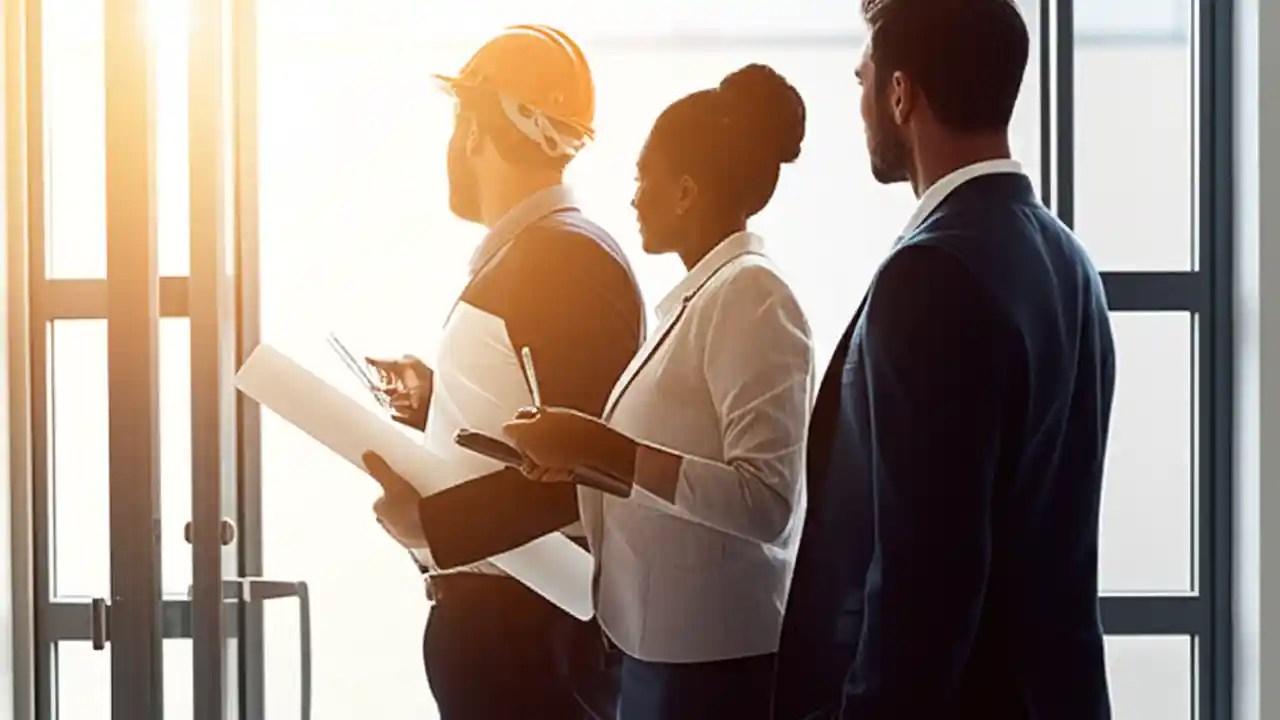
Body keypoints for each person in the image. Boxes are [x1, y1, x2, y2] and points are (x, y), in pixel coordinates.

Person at [772, 1, 1117, 718]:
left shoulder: (929, 275)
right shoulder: (1069, 260)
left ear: (900, 94)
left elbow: (924, 581)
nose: (861, 102)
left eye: (864, 79)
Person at [503, 64, 815, 720]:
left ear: (685, 192)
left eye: (644, 178)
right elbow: (665, 471)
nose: (634, 199)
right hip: (663, 654)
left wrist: (605, 451)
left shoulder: (752, 295)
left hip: (713, 670)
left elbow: (766, 501)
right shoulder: (703, 297)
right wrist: (582, 459)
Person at [361, 24, 644, 719]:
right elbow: (548, 431)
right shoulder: (539, 254)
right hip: (514, 634)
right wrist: (441, 403)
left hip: (528, 641)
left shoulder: (560, 261)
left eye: (459, 120)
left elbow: (590, 471)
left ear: (476, 130)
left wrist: (431, 523)